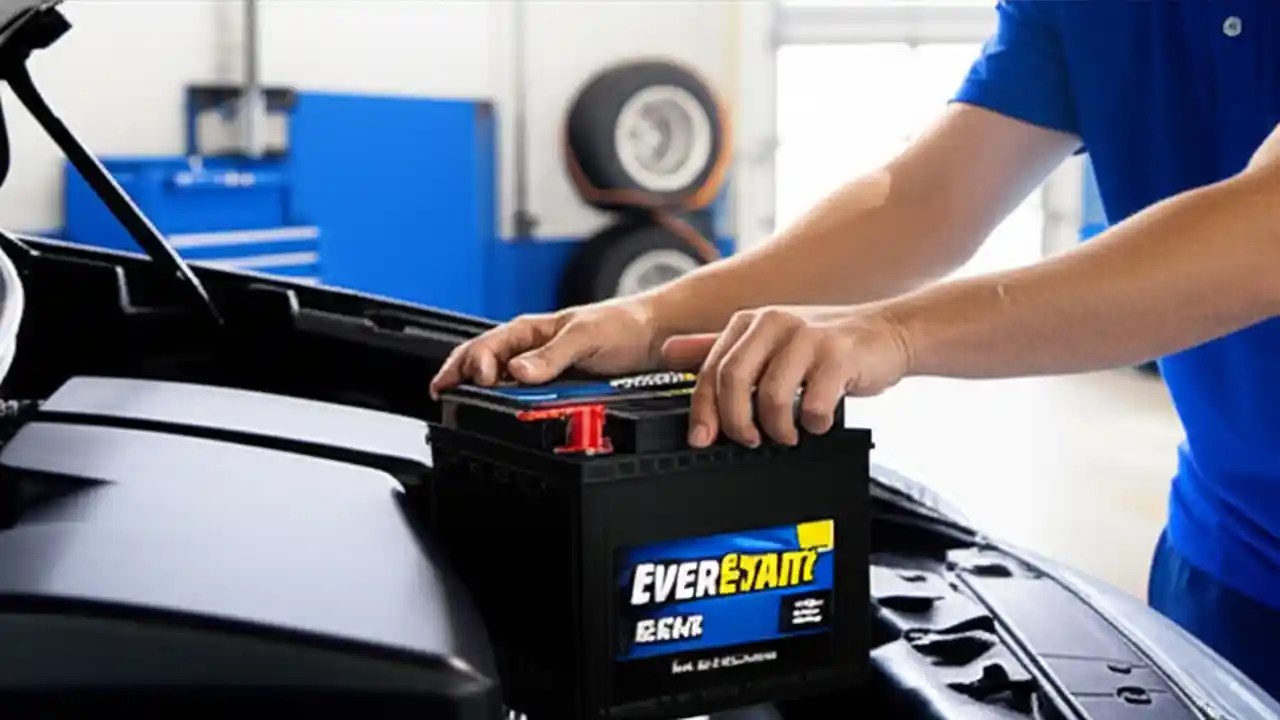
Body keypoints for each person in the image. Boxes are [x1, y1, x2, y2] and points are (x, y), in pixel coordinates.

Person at [432, 1, 1280, 697]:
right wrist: (648, 318)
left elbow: (1264, 232)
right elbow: (922, 202)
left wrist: (896, 331)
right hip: (1227, 558)